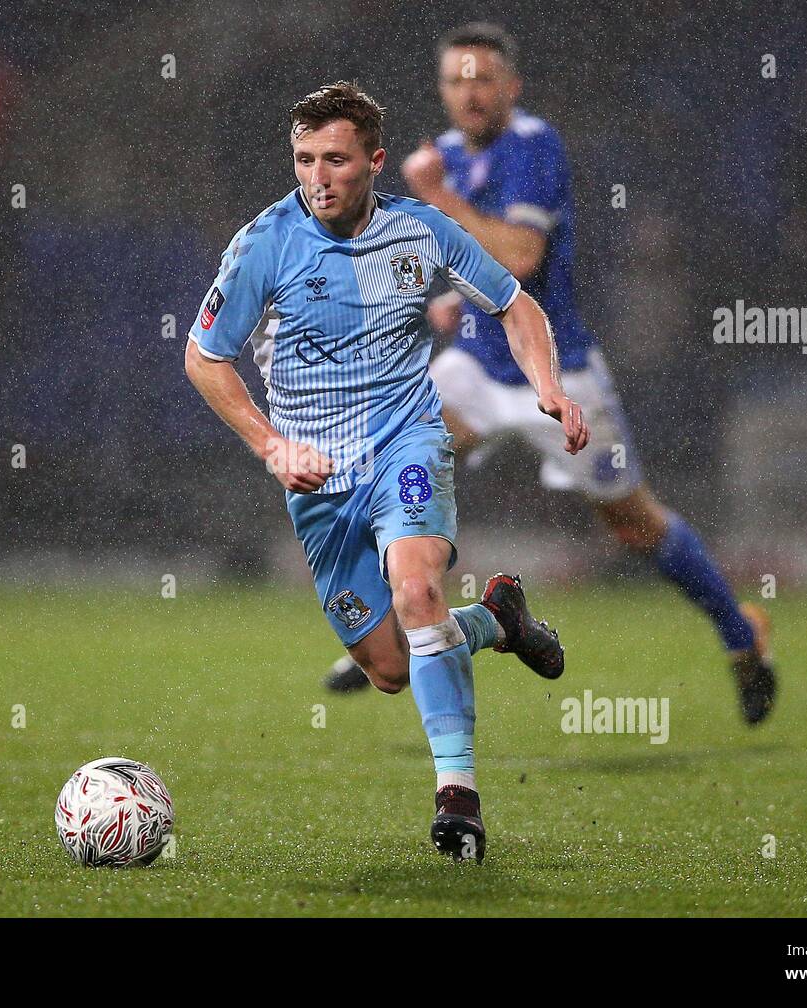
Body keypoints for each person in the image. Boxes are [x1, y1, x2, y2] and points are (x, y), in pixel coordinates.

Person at [322, 23, 776, 726]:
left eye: (483, 79)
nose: (469, 93)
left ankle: (743, 635)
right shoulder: (439, 158)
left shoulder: (533, 146)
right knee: (386, 467)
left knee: (634, 523)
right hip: (474, 364)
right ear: (441, 90)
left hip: (552, 374)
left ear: (511, 86)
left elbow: (522, 255)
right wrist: (434, 301)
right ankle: (391, 634)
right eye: (456, 80)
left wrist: (437, 200)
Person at [185, 82, 589, 862]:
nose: (317, 177)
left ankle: (458, 803)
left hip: (406, 444)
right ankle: (499, 622)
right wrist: (273, 446)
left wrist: (549, 387)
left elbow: (516, 303)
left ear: (373, 161)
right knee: (391, 668)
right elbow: (204, 359)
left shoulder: (420, 232)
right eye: (304, 160)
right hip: (317, 478)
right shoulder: (264, 243)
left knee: (416, 590)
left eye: (334, 159)